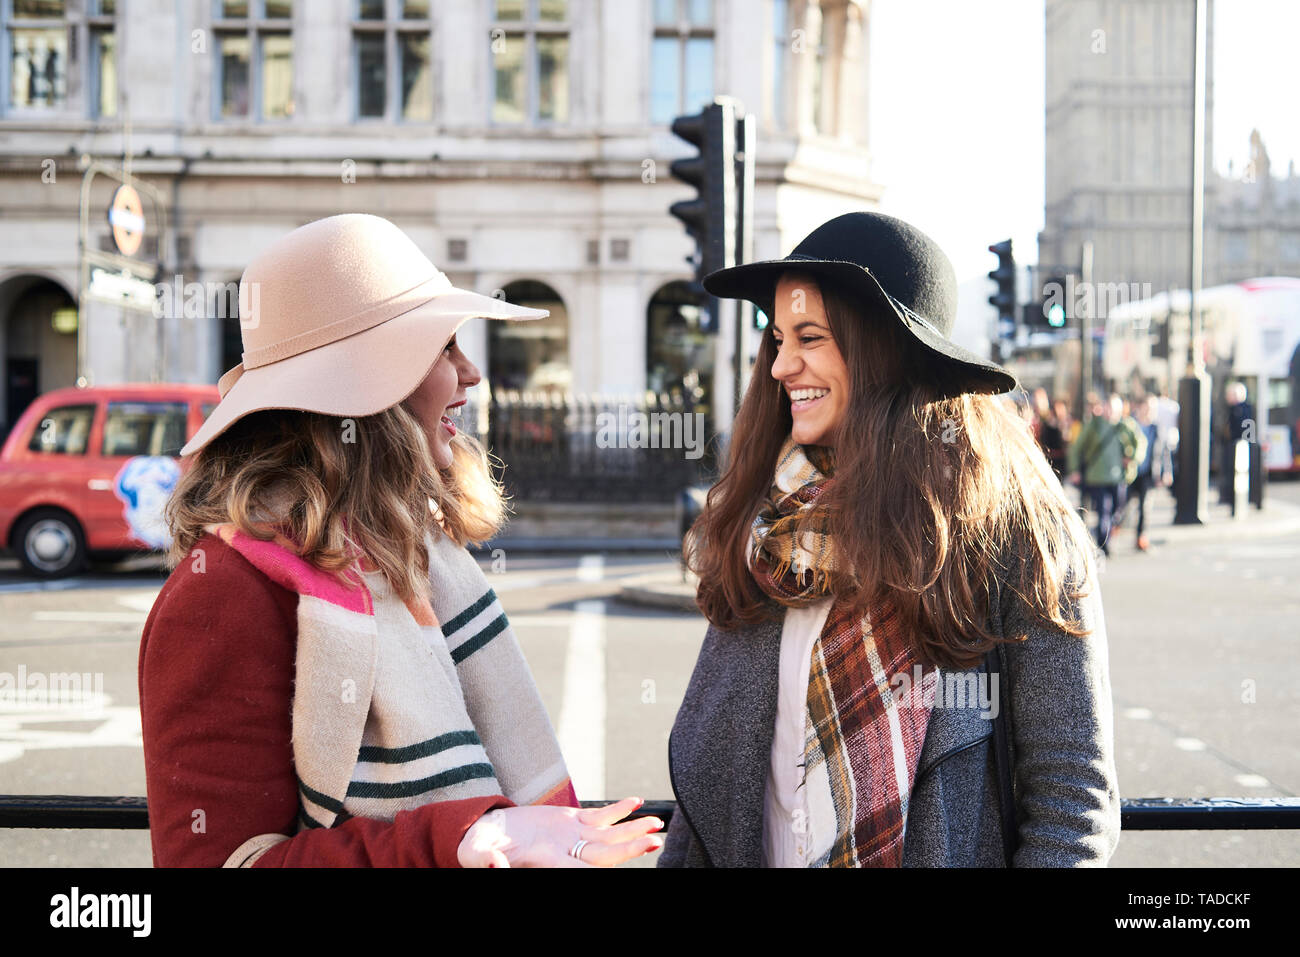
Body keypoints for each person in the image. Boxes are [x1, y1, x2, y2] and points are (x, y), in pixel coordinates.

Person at [141, 214, 663, 868]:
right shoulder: (223, 592)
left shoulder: (413, 549)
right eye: (444, 347)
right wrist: (457, 840)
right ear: (368, 385)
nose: (471, 373)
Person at [658, 211, 1121, 868]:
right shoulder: (767, 527)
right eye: (778, 339)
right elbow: (710, 793)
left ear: (882, 345)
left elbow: (1071, 800)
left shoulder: (1016, 532)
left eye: (810, 337)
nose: (782, 364)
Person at [1067, 393, 1145, 556]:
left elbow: (1140, 443)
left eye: (1114, 408)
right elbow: (1077, 447)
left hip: (1119, 478)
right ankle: (1104, 544)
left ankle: (1106, 535)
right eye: (1108, 407)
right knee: (1104, 510)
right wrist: (1074, 470)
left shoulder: (1126, 425)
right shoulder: (1094, 425)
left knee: (1117, 510)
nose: (1110, 411)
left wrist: (1132, 459)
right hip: (1097, 477)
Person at [1128, 396, 1172, 552]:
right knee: (1122, 505)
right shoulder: (1131, 424)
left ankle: (1141, 537)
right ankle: (1110, 534)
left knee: (1144, 507)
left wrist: (1166, 471)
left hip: (1148, 473)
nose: (1149, 411)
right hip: (1130, 472)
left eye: (1153, 408)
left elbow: (1164, 451)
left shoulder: (1156, 427)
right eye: (1147, 407)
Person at [1031, 387, 1067, 479]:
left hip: (1053, 462)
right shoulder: (1035, 420)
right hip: (1041, 460)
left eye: (1040, 400)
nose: (1038, 404)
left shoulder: (1051, 421)